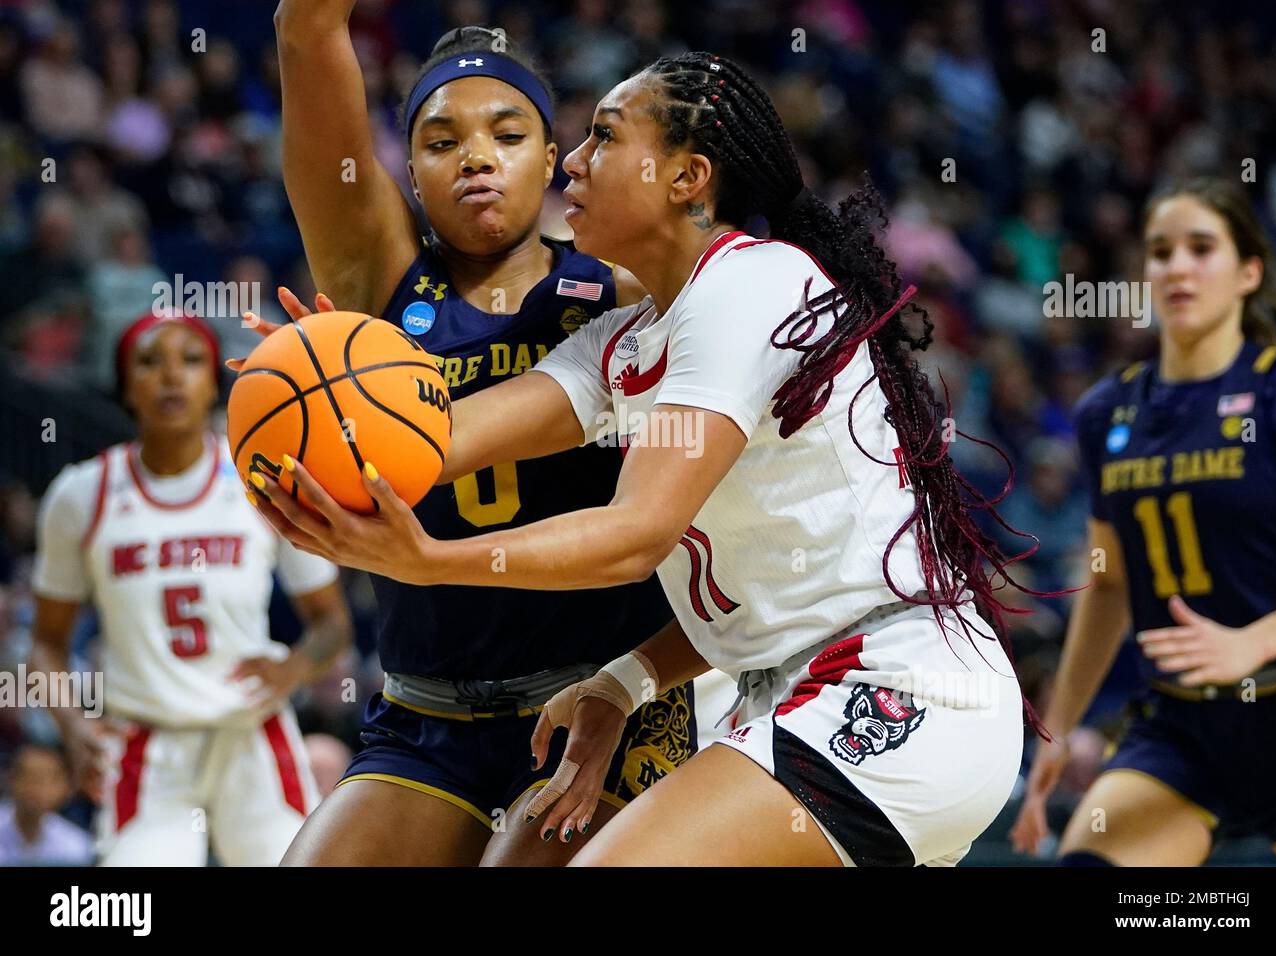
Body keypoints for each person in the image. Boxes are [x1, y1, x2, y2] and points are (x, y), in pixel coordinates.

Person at [249, 52, 1039, 866]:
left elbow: (637, 533)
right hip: (785, 693)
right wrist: (330, 395)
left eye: (604, 138)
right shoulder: (625, 343)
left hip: (892, 685)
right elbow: (440, 435)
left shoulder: (752, 286)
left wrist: (431, 558)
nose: (577, 162)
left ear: (687, 177)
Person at [266, 3, 690, 867]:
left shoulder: (624, 296)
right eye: (440, 140)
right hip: (427, 714)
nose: (477, 158)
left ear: (554, 159)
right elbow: (306, 31)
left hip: (604, 698)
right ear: (410, 174)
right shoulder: (376, 278)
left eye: (507, 132)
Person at [1010, 178, 1276, 866]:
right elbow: (1108, 585)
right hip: (1182, 724)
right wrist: (1057, 729)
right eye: (1161, 252)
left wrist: (1253, 643)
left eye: (1202, 248)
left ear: (1248, 272)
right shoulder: (1107, 413)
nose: (1177, 267)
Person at [29, 311, 352, 866]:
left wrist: (294, 669)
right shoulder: (82, 494)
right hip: (145, 744)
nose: (172, 375)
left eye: (191, 360)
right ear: (125, 386)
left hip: (252, 732)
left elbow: (333, 624)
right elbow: (46, 646)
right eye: (150, 362)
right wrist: (73, 725)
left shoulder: (260, 478)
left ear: (213, 384)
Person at [0, 743, 94, 866]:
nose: (36, 788)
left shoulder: (76, 845)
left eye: (46, 779)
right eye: (29, 777)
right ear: (11, 779)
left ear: (67, 787)